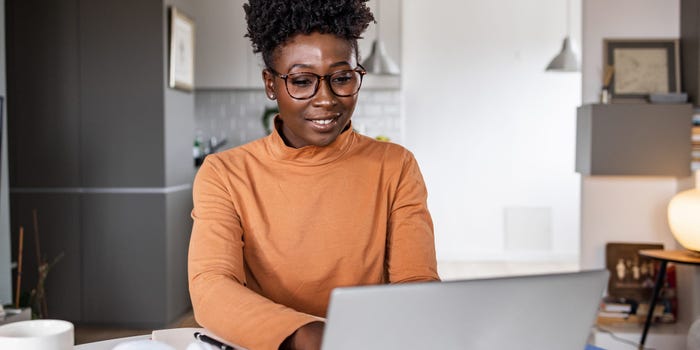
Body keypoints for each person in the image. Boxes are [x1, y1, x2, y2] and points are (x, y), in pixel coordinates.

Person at [187, 0, 439, 349]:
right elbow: (211, 286)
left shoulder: (395, 166)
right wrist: (308, 335)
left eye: (342, 78)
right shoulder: (225, 174)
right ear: (270, 84)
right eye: (303, 81)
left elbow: (416, 281)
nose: (326, 99)